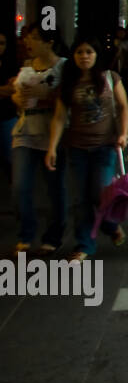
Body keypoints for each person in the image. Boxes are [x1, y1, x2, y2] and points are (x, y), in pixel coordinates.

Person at [44, 37, 128, 260]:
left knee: (100, 193)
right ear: (73, 56)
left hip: (105, 146)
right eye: (80, 52)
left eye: (89, 51)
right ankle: (84, 245)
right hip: (77, 148)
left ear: (96, 55)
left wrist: (122, 133)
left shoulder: (111, 78)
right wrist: (52, 147)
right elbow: (59, 117)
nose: (84, 56)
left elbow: (123, 107)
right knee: (80, 199)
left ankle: (110, 225)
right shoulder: (68, 83)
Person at [10, 25, 67, 254]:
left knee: (54, 187)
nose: (28, 43)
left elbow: (70, 98)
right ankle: (26, 233)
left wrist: (48, 96)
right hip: (24, 131)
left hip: (52, 132)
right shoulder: (26, 68)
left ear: (49, 42)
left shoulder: (64, 66)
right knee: (20, 186)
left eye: (33, 38)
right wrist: (18, 98)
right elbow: (16, 94)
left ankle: (53, 236)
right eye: (27, 39)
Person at [0, 31, 19, 176]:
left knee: (11, 159)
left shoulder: (10, 63)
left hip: (7, 116)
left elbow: (14, 89)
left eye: (2, 43)